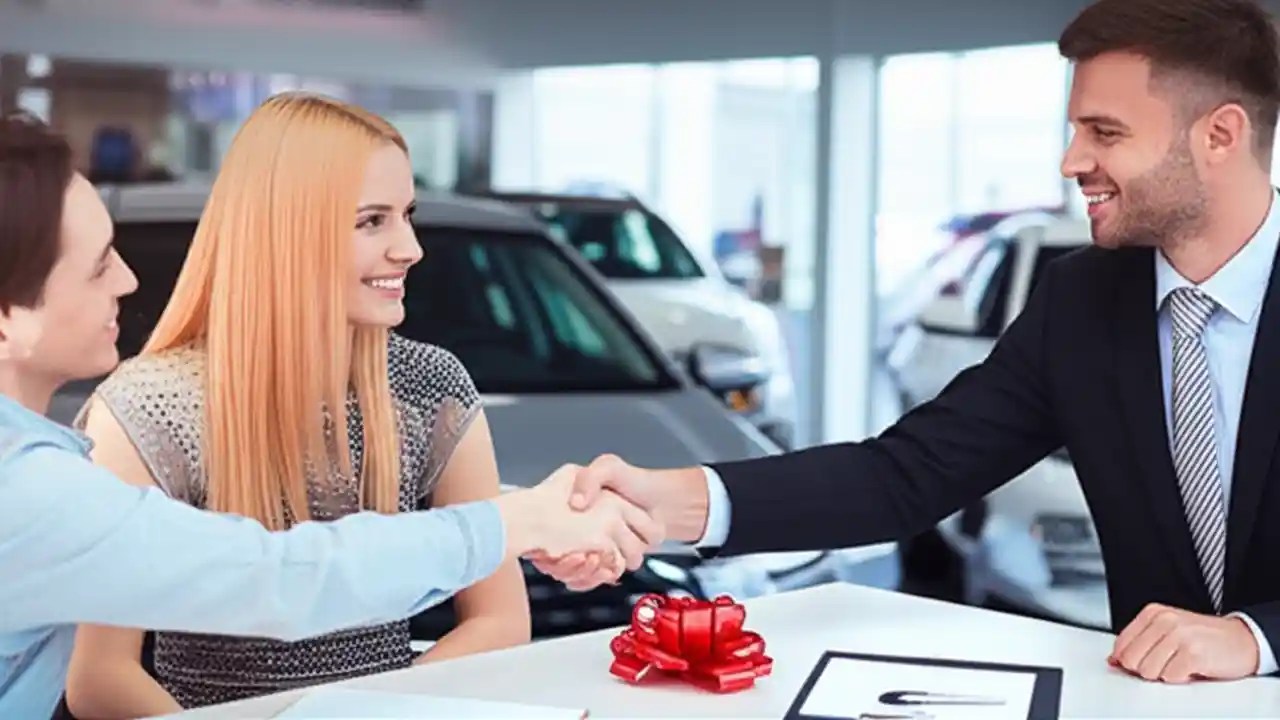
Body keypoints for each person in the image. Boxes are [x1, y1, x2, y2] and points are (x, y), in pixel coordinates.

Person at [542, 0, 1280, 686]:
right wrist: (671, 502)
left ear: (1219, 136)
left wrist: (1256, 639)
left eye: (1105, 133)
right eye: (1075, 130)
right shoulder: (1083, 299)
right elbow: (905, 476)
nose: (1071, 161)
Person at [0, 112, 658, 720]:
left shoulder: (429, 387)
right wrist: (523, 521)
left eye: (407, 214)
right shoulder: (128, 422)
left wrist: (381, 708)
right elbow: (277, 583)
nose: (410, 248)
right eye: (372, 220)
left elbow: (491, 614)